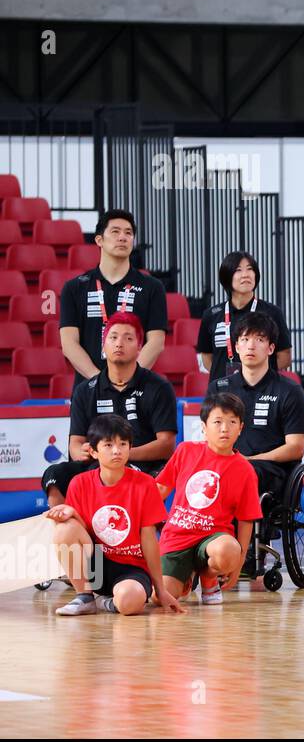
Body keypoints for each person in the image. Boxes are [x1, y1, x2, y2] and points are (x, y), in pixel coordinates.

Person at [47, 415, 184, 617]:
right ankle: (85, 597)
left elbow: (149, 540)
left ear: (130, 448)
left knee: (130, 603)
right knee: (64, 528)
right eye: (108, 445)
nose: (117, 450)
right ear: (93, 451)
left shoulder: (145, 484)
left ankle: (106, 603)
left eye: (123, 444)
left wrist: (160, 590)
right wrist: (71, 512)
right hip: (97, 566)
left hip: (131, 568)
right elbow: (82, 534)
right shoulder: (79, 483)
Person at [41, 311, 177, 506]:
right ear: (104, 346)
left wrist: (122, 453)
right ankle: (70, 528)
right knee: (54, 475)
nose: (119, 343)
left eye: (128, 338)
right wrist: (84, 451)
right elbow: (75, 444)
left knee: (120, 474)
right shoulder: (85, 391)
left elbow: (166, 446)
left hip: (142, 465)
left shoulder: (158, 387)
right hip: (97, 464)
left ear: (139, 347)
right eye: (113, 337)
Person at [156, 393, 263, 606]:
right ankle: (186, 576)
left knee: (228, 551)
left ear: (241, 428)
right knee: (159, 598)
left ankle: (209, 578)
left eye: (232, 422)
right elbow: (160, 489)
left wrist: (239, 563)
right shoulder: (185, 451)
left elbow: (246, 519)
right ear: (204, 427)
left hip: (213, 539)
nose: (225, 428)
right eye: (218, 422)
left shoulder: (245, 470)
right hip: (176, 538)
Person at [207, 311, 304, 502]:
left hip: (271, 471)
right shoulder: (218, 389)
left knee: (242, 473)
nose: (251, 346)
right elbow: (209, 436)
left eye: (259, 339)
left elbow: (296, 448)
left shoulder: (289, 390)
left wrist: (249, 461)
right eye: (244, 339)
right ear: (236, 347)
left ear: (271, 348)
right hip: (226, 465)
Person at [59, 208, 167, 384]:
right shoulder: (74, 288)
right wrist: (100, 380)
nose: (123, 237)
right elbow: (69, 344)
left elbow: (156, 342)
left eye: (128, 233)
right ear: (99, 240)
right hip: (89, 389)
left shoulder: (152, 287)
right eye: (115, 231)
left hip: (136, 390)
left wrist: (126, 380)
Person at [197, 251, 292, 386]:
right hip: (223, 392)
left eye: (250, 269)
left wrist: (255, 374)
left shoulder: (272, 312)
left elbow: (284, 357)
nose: (245, 275)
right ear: (227, 276)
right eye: (238, 270)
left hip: (262, 389)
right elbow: (206, 357)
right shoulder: (211, 315)